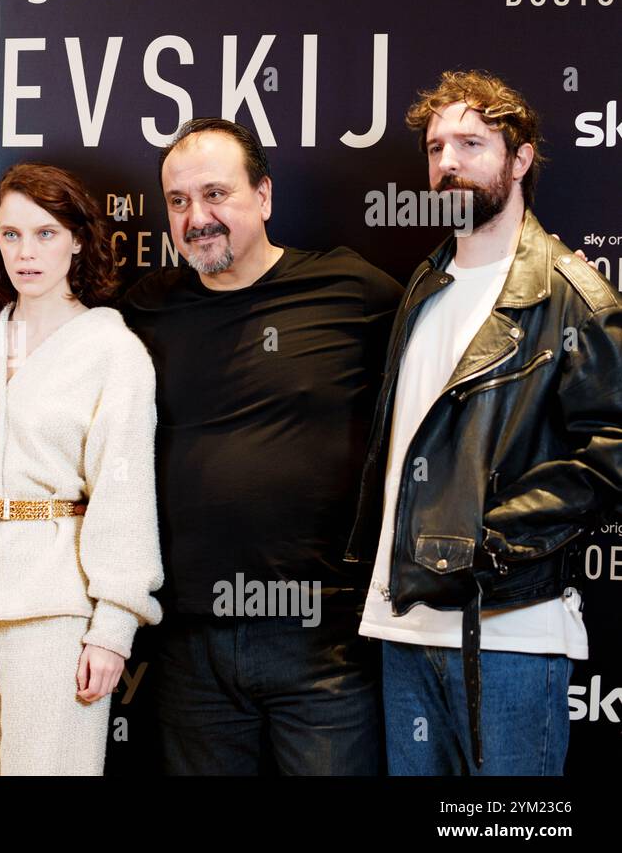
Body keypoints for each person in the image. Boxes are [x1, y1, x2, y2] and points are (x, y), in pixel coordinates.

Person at [346, 70, 622, 775]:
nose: (448, 164)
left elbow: (614, 449)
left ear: (520, 158)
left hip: (509, 633)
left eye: (472, 143)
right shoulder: (427, 283)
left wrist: (488, 547)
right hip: (401, 623)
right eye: (437, 148)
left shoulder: (570, 294)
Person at [123, 117, 403, 775]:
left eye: (216, 194)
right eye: (179, 201)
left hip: (321, 642)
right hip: (189, 644)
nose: (197, 218)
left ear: (266, 197)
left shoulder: (353, 293)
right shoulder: (144, 310)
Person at [0, 163, 162, 775]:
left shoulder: (113, 350)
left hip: (55, 605)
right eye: (10, 234)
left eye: (46, 233)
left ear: (78, 238)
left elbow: (123, 495)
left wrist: (112, 628)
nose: (26, 253)